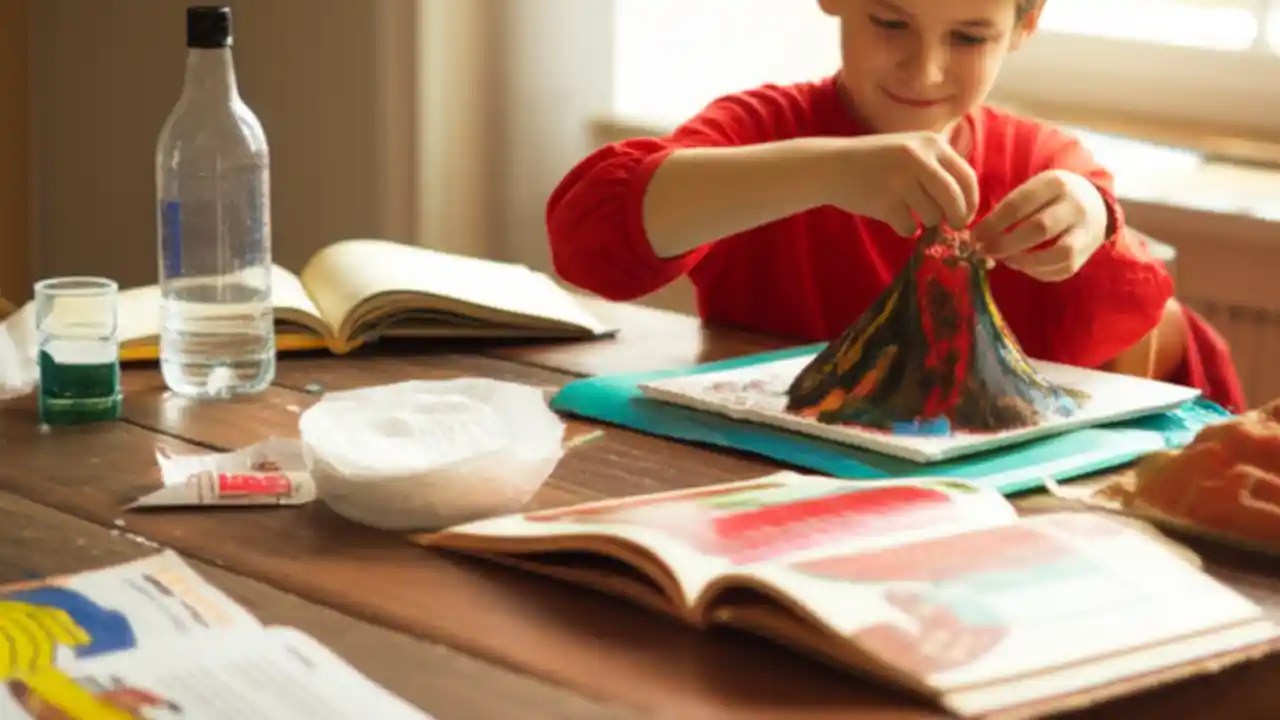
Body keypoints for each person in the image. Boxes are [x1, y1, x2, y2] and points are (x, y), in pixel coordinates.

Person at [545, 0, 1246, 412]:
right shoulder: (765, 128)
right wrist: (824, 168)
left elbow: (1138, 321)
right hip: (763, 491)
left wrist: (1093, 218)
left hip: (980, 527)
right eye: (889, 21)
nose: (925, 69)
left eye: (969, 37)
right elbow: (589, 239)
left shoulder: (1043, 163)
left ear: (1025, 23)